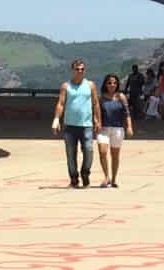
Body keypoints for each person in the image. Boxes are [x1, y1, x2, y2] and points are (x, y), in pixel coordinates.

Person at [51, 58, 97, 188]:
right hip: (70, 126)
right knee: (71, 154)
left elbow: (95, 103)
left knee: (89, 150)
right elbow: (61, 103)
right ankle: (74, 178)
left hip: (86, 125)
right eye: (77, 69)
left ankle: (85, 172)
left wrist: (97, 119)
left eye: (82, 69)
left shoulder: (90, 85)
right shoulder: (66, 86)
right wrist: (56, 119)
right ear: (73, 70)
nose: (80, 71)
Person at [94, 72, 132, 187]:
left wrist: (129, 126)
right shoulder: (101, 98)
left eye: (114, 83)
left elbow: (127, 113)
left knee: (115, 155)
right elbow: (95, 112)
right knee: (102, 152)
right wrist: (96, 122)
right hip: (104, 128)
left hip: (117, 129)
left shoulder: (121, 97)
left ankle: (114, 178)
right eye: (109, 83)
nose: (112, 85)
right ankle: (106, 177)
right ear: (105, 84)